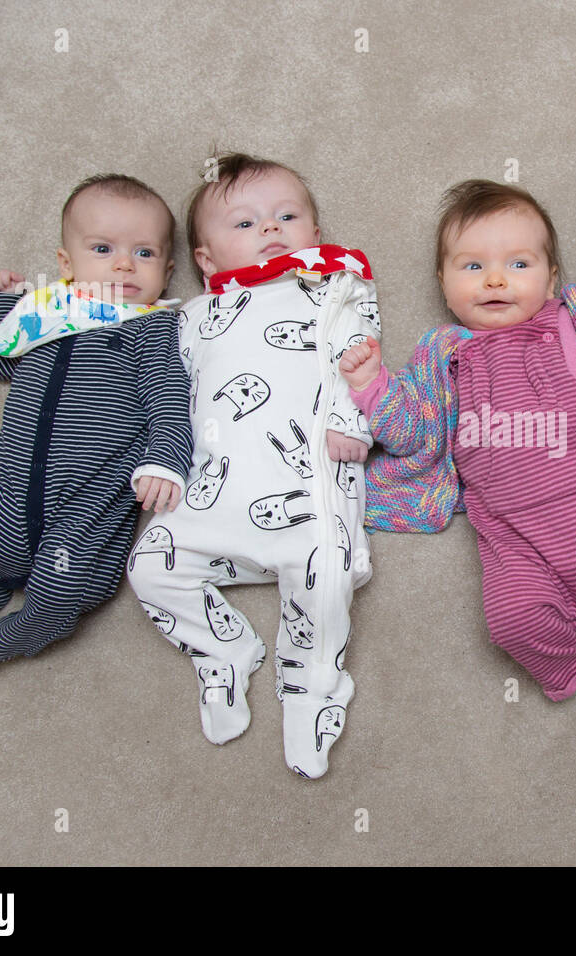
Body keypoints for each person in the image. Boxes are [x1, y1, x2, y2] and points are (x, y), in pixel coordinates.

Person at [341, 179, 576, 708]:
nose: (495, 279)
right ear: (443, 284)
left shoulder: (572, 322)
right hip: (519, 536)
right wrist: (372, 387)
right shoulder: (445, 353)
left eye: (519, 264)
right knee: (513, 621)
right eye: (472, 267)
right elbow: (413, 431)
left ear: (551, 278)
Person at [127, 153, 378, 779]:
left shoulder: (330, 292)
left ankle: (312, 695)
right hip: (214, 496)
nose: (270, 228)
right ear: (207, 260)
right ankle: (224, 650)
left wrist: (352, 419)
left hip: (306, 486)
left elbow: (361, 358)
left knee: (325, 591)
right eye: (245, 223)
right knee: (150, 569)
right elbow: (159, 389)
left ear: (313, 235)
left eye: (287, 216)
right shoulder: (184, 318)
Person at [0, 174, 192, 670]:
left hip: (82, 508)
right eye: (103, 248)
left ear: (167, 271)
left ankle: (28, 630)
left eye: (144, 253)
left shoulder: (150, 324)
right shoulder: (47, 311)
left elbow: (168, 396)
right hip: (3, 489)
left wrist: (165, 458)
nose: (123, 263)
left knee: (61, 581)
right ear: (66, 264)